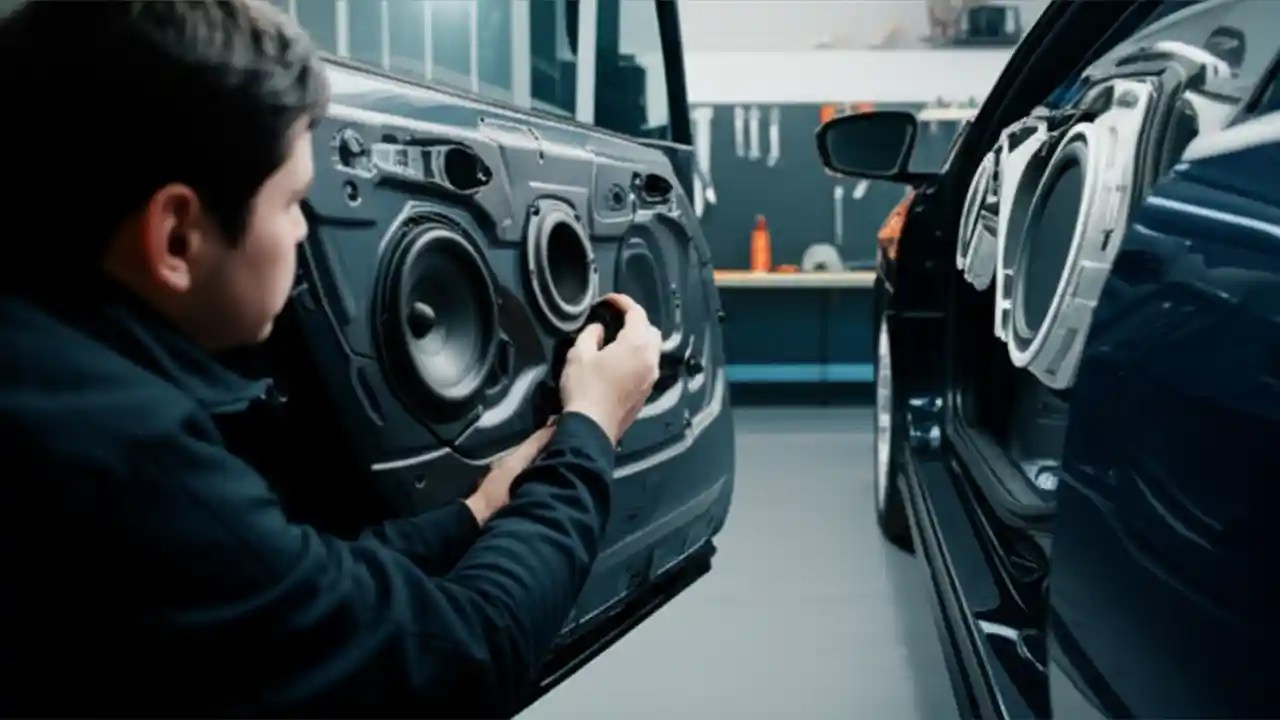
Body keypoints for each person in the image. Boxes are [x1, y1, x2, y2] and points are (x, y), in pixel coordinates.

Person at [0, 1, 662, 717]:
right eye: (292, 203)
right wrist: (592, 425)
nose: (298, 235)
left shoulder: (52, 378)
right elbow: (462, 658)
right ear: (177, 237)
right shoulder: (128, 453)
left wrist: (478, 509)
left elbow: (299, 578)